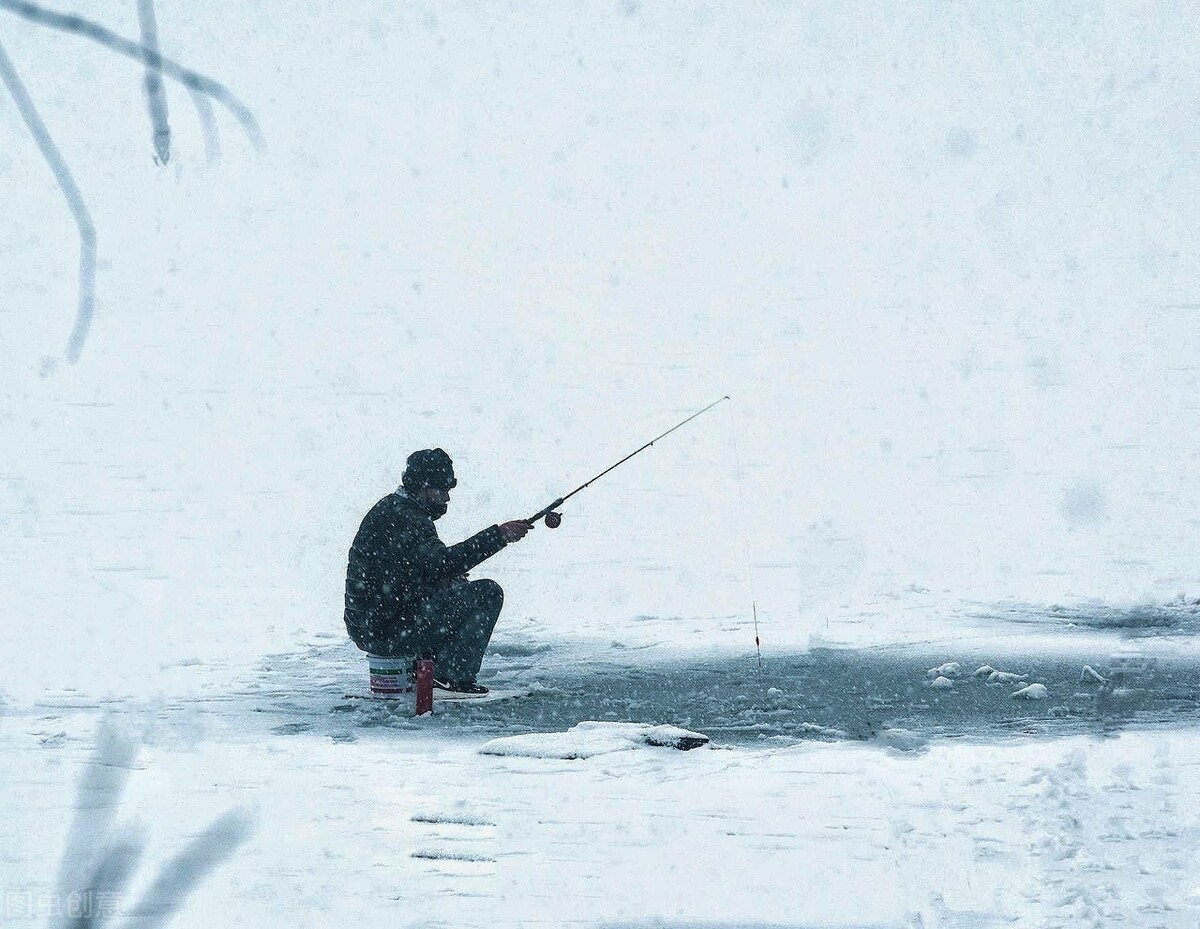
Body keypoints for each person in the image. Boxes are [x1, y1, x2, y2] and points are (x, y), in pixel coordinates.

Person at [343, 448, 531, 694]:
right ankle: (451, 677)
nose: (446, 497)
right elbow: (442, 564)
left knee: (456, 588)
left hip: (373, 626)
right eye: (441, 490)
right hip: (387, 632)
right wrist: (499, 535)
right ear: (422, 486)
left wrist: (444, 580)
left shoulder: (392, 509)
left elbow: (416, 570)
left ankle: (423, 670)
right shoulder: (406, 517)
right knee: (487, 593)